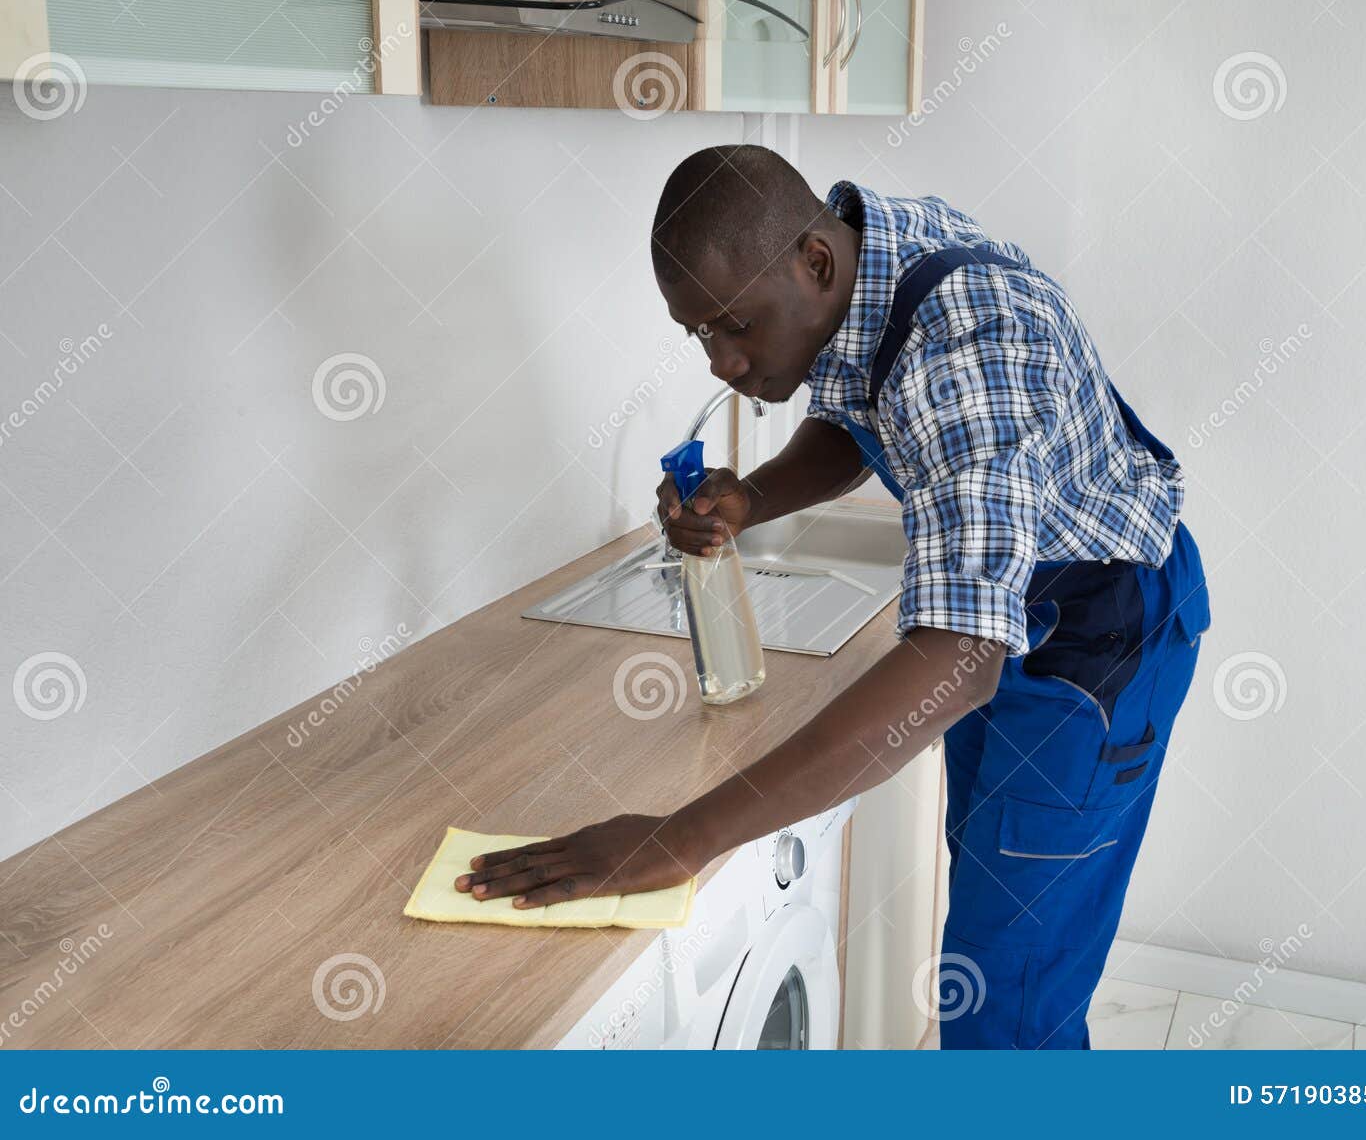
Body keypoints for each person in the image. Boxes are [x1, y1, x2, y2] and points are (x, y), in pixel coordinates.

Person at [456, 144, 1213, 1049]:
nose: (721, 363)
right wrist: (757, 497)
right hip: (1026, 614)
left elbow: (961, 661)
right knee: (993, 928)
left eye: (734, 325)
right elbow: (865, 409)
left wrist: (680, 840)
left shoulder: (971, 347)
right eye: (699, 334)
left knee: (1009, 1017)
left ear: (814, 262)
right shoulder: (871, 256)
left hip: (1097, 647)